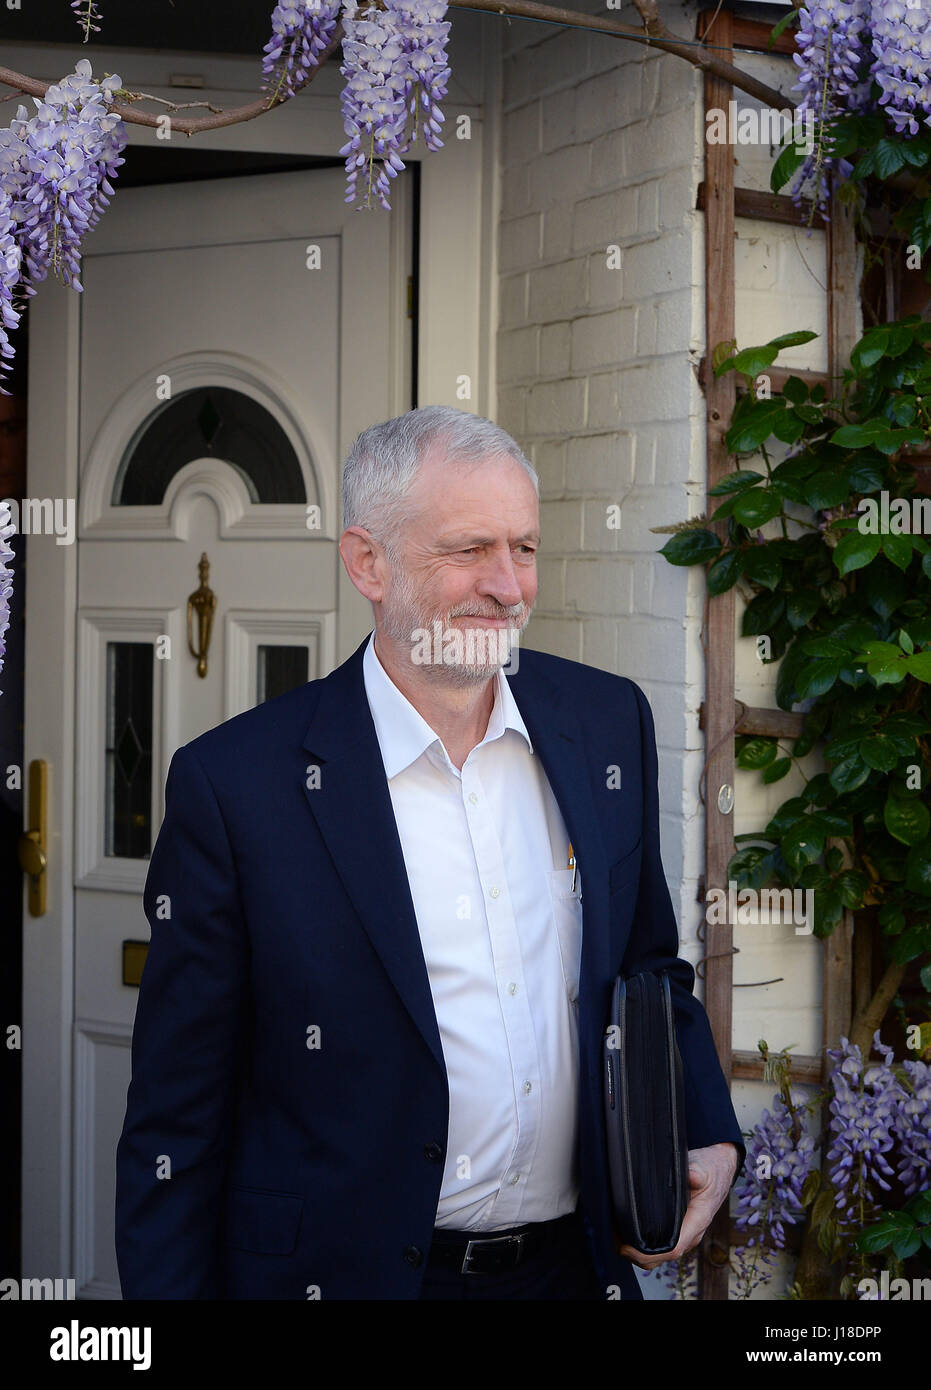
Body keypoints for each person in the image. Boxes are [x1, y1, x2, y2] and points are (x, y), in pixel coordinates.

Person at [115, 405, 744, 1301]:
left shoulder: (605, 724)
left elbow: (645, 966)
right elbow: (178, 1113)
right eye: (469, 549)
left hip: (571, 1275)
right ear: (368, 562)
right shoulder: (236, 784)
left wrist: (706, 1127)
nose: (507, 585)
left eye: (524, 549)